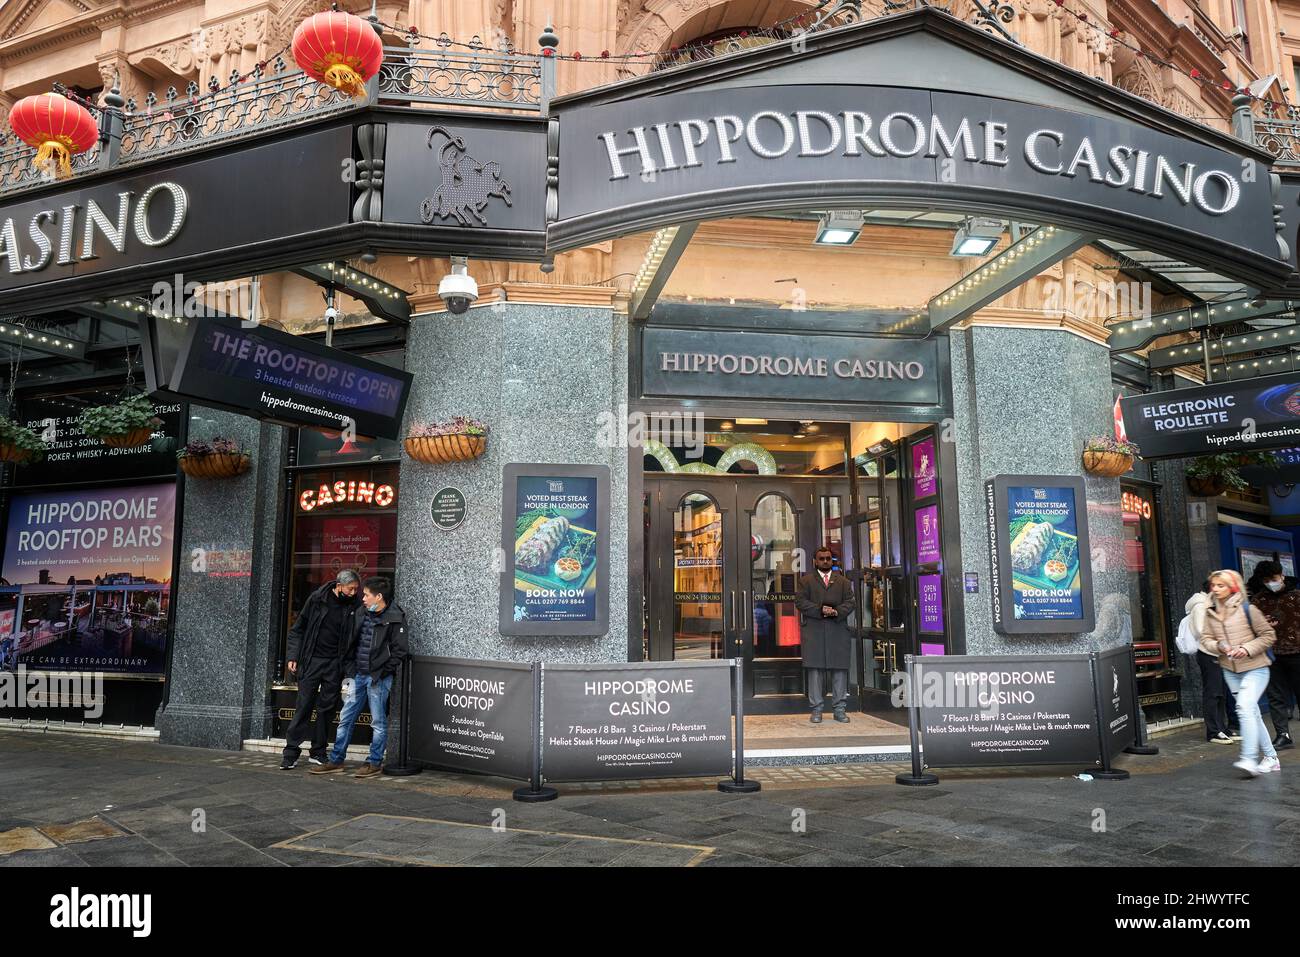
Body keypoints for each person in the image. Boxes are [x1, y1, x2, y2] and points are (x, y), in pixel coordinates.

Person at [310, 576, 409, 778]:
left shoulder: (395, 618)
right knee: (346, 719)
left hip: (378, 679)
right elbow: (350, 643)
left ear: (379, 596)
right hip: (357, 676)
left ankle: (374, 762)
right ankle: (336, 760)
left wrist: (381, 673)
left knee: (378, 722)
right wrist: (351, 670)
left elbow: (400, 651)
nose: (362, 598)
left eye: (366, 594)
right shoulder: (362, 612)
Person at [1199, 569, 1280, 776]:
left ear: (1232, 587)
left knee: (1244, 707)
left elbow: (1268, 635)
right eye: (1213, 585)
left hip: (1256, 668)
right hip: (1230, 670)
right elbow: (1205, 639)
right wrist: (1219, 645)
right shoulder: (1210, 611)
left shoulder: (1248, 609)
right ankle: (1271, 758)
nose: (1215, 589)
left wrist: (1245, 648)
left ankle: (1249, 759)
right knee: (1251, 712)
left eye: (1221, 585)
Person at [280, 569, 360, 770]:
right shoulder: (317, 599)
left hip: (335, 664)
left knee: (327, 708)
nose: (353, 593)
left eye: (356, 589)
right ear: (339, 585)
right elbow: (298, 629)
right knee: (304, 705)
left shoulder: (355, 605)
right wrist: (292, 655)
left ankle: (318, 752)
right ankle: (290, 753)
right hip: (312, 660)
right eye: (351, 589)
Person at [795, 546, 856, 724]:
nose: (825, 562)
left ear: (832, 560)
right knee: (815, 671)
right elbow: (800, 602)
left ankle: (839, 710)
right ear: (815, 561)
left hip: (838, 631)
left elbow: (851, 602)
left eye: (828, 558)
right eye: (821, 559)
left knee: (840, 671)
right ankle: (817, 710)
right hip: (814, 632)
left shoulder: (843, 582)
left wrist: (836, 612)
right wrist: (821, 611)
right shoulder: (805, 581)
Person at [1249, 560, 1300, 750]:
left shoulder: (1296, 597)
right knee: (1275, 696)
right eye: (1267, 580)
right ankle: (1282, 734)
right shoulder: (1258, 601)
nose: (1271, 582)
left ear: (1282, 576)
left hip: (1296, 652)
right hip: (1269, 654)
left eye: (1274, 578)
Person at [1180, 581, 1233, 745]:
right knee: (1213, 692)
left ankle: (1222, 728)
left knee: (1221, 692)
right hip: (1209, 653)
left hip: (1219, 653)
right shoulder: (1200, 606)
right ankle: (1213, 731)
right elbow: (1201, 631)